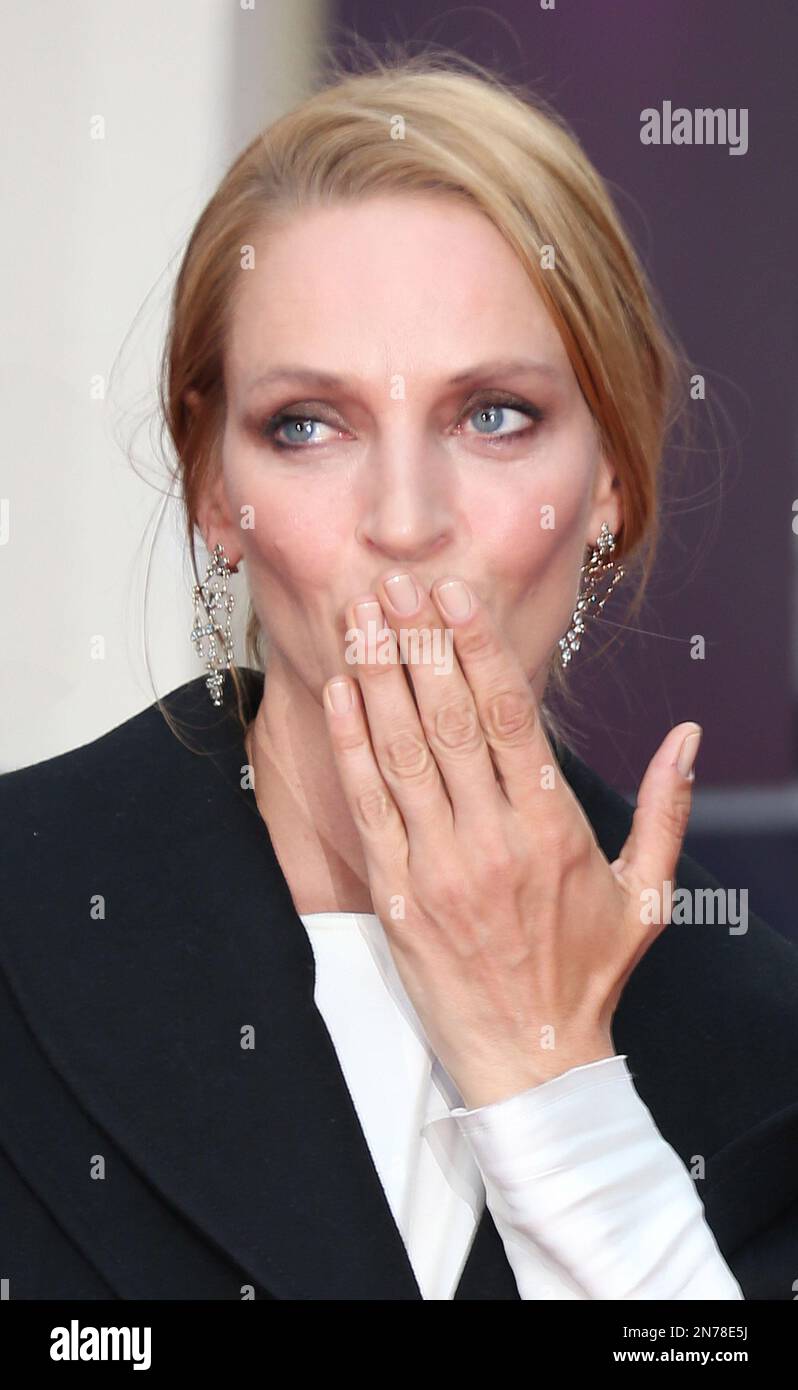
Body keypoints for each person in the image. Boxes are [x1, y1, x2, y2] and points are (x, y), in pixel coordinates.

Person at [2, 54, 797, 1302]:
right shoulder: (28, 907)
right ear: (213, 485)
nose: (406, 520)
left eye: (493, 415)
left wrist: (555, 1092)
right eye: (308, 425)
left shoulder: (762, 1039)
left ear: (611, 477)